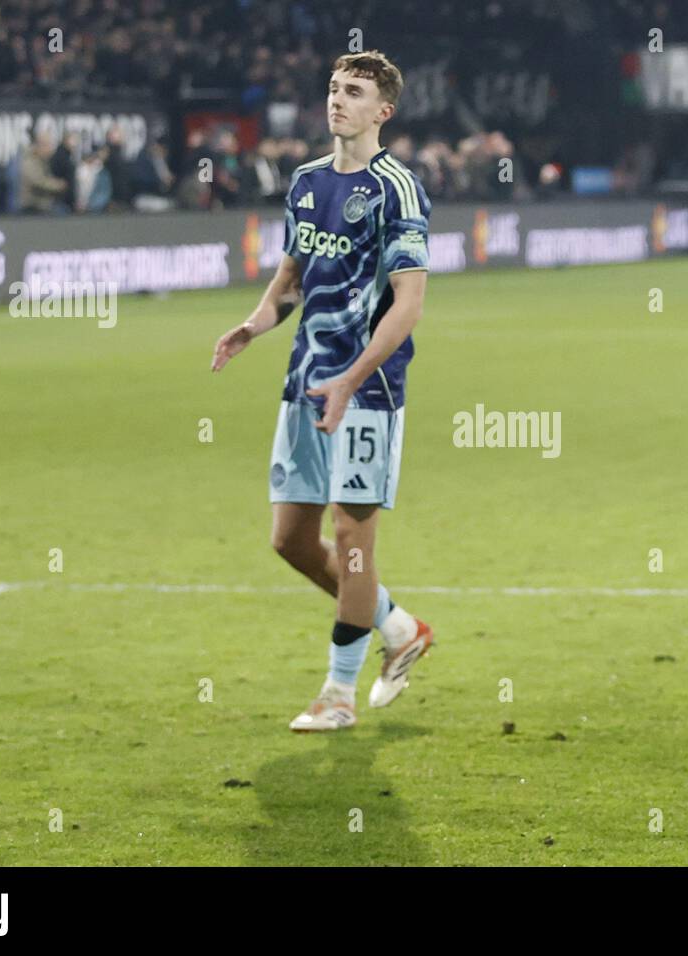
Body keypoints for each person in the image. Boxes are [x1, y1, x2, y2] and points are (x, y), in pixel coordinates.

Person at [210, 50, 434, 732]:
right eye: (335, 89)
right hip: (304, 382)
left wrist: (355, 378)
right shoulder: (306, 182)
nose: (338, 101)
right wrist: (255, 323)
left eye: (355, 92)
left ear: (382, 111)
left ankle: (337, 695)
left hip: (366, 391)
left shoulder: (397, 187)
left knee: (353, 535)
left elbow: (408, 304)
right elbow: (295, 274)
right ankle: (399, 626)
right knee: (290, 540)